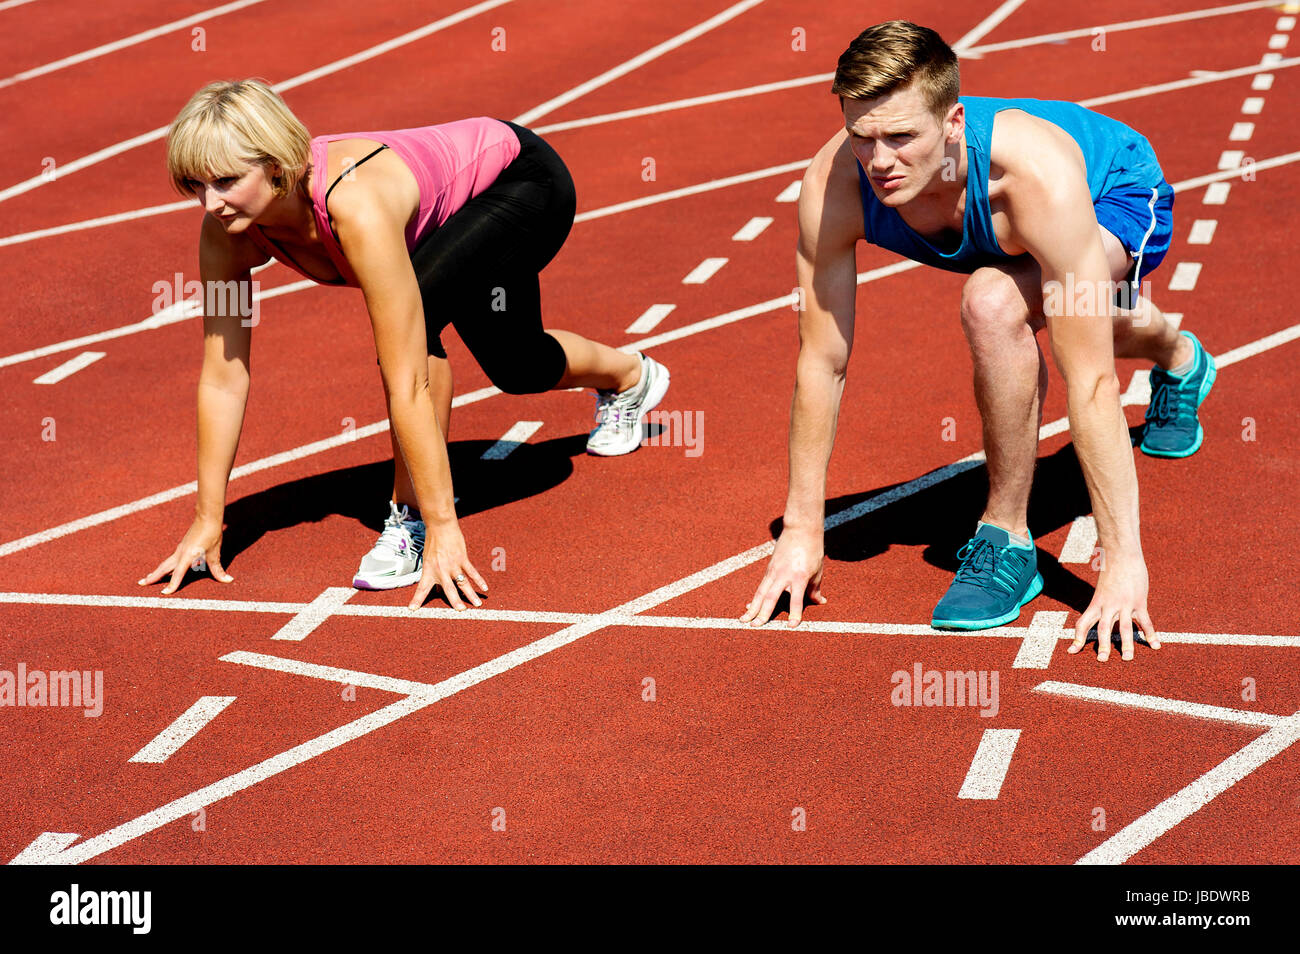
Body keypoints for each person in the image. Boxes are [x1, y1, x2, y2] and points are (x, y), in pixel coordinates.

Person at [742, 21, 1214, 662]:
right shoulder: (835, 185)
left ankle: (1005, 536)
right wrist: (801, 530)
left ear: (954, 122)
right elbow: (822, 358)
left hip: (1111, 190)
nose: (880, 162)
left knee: (1002, 305)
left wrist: (1122, 560)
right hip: (1005, 227)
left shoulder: (1033, 177)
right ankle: (1180, 356)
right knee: (1069, 309)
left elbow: (1093, 382)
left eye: (903, 137)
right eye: (862, 137)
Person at [140, 79, 669, 610]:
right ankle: (631, 377)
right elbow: (223, 376)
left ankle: (411, 520)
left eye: (227, 181)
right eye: (194, 185)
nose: (211, 203)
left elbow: (407, 379)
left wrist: (444, 528)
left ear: (277, 165)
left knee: (419, 330)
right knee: (518, 364)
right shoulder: (225, 236)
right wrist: (209, 519)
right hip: (450, 216)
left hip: (521, 182)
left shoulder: (354, 205)